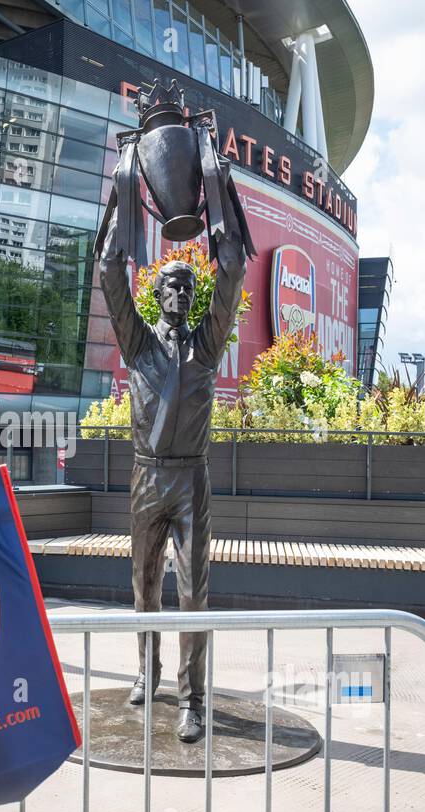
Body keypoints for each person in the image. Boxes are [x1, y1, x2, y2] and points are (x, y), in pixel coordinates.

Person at [97, 220, 247, 744]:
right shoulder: (137, 343)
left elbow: (232, 274)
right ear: (157, 295)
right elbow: (109, 274)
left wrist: (222, 209)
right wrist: (121, 199)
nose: (181, 292)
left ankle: (193, 699)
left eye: (188, 286)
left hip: (190, 481)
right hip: (146, 478)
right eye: (171, 285)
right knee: (143, 588)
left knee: (193, 594)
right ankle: (146, 672)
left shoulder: (206, 345)